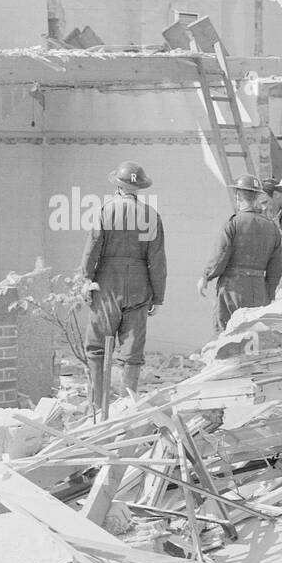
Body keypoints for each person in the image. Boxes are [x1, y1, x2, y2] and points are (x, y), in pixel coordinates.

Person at [81, 160, 166, 403]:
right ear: (138, 188)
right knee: (132, 351)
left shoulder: (106, 210)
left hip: (108, 282)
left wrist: (86, 279)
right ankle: (128, 406)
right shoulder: (152, 215)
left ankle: (98, 405)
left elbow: (92, 249)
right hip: (140, 286)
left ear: (118, 186)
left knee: (97, 347)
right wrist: (158, 297)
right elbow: (158, 261)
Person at [197, 174, 282, 332]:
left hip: (232, 288)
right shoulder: (272, 228)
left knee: (227, 334)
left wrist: (205, 277)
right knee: (254, 334)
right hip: (258, 290)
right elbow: (276, 269)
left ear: (237, 196)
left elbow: (220, 257)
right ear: (257, 197)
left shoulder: (233, 223)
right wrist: (270, 294)